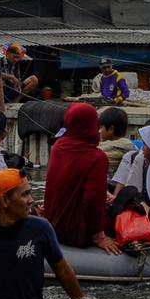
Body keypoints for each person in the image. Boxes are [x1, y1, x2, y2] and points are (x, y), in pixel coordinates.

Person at [0, 169, 85, 299]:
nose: (31, 200)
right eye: (25, 194)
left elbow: (63, 272)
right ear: (4, 200)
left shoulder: (40, 228)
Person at [45, 103, 110, 251]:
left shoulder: (58, 146)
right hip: (76, 233)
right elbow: (93, 199)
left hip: (53, 225)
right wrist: (99, 235)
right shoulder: (97, 157)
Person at [98, 107, 136, 181]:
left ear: (111, 129)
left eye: (101, 127)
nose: (99, 131)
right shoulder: (128, 145)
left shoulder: (118, 147)